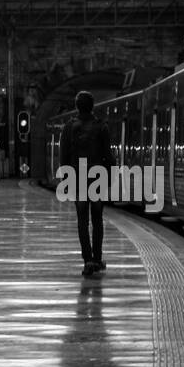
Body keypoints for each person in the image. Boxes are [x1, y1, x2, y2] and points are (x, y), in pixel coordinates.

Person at [60, 91, 114, 277]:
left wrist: (66, 181)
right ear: (92, 106)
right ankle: (97, 259)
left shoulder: (69, 127)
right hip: (97, 179)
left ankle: (87, 260)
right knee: (97, 220)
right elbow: (109, 156)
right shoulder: (101, 127)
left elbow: (64, 157)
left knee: (82, 221)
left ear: (77, 106)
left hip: (77, 178)